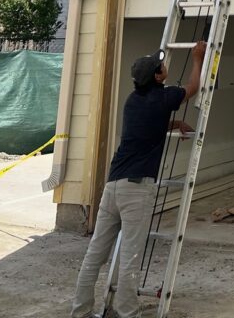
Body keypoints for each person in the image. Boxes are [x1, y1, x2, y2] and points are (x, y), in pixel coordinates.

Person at [70, 41, 206, 318]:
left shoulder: (133, 101)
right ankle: (127, 312)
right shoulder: (164, 97)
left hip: (113, 185)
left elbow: (149, 125)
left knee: (95, 254)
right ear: (157, 76)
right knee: (130, 255)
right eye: (160, 65)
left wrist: (175, 124)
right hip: (136, 189)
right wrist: (198, 58)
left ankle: (80, 312)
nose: (164, 65)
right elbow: (193, 88)